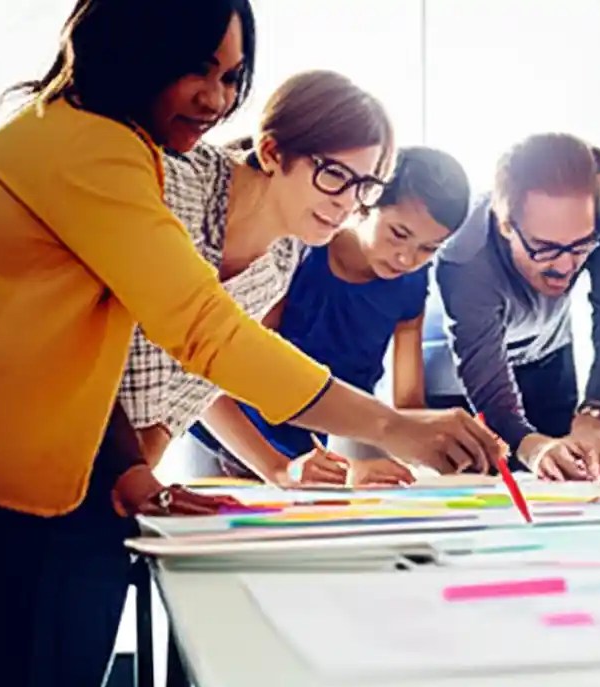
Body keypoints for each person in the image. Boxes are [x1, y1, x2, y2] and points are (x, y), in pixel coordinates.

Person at [0, 2, 497, 687]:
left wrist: (141, 468)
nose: (217, 97)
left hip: (66, 480)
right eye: (197, 67)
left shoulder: (127, 158)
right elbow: (202, 331)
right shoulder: (102, 155)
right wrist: (394, 426)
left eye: (232, 75)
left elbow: (168, 365)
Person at [116, 69, 396, 470]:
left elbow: (185, 395)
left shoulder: (280, 262)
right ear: (271, 152)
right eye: (334, 174)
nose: (348, 204)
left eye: (365, 186)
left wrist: (137, 481)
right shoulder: (169, 184)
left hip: (102, 477)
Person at [191, 146, 473, 486]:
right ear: (364, 202)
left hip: (309, 455)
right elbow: (219, 374)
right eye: (399, 234)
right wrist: (284, 467)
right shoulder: (299, 253)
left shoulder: (411, 283)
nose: (407, 258)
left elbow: (408, 404)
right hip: (233, 439)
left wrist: (452, 440)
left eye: (430, 248)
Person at [434, 133, 600, 481]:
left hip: (548, 353)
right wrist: (528, 444)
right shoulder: (465, 258)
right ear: (505, 225)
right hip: (466, 374)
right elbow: (489, 389)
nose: (564, 267)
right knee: (488, 486)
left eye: (580, 246)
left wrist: (594, 413)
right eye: (545, 248)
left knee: (569, 478)